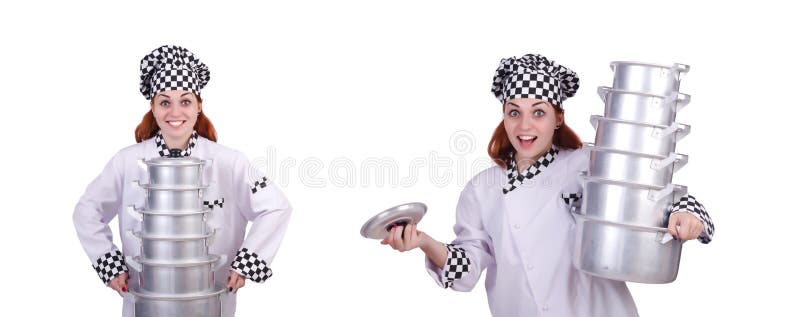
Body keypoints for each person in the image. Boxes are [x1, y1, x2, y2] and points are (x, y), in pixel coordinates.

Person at [381, 54, 714, 316]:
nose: (524, 126)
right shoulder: (481, 190)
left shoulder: (590, 163)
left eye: (538, 112)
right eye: (514, 112)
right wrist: (423, 242)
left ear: (558, 118)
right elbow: (465, 272)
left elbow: (659, 196)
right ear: (504, 116)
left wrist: (687, 216)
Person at [73, 45, 292, 317]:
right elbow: (87, 211)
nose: (175, 112)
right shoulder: (126, 161)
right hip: (143, 302)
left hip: (212, 302)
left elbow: (276, 207)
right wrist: (110, 265)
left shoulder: (230, 162)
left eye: (185, 101)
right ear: (153, 108)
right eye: (165, 102)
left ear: (199, 106)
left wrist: (246, 264)